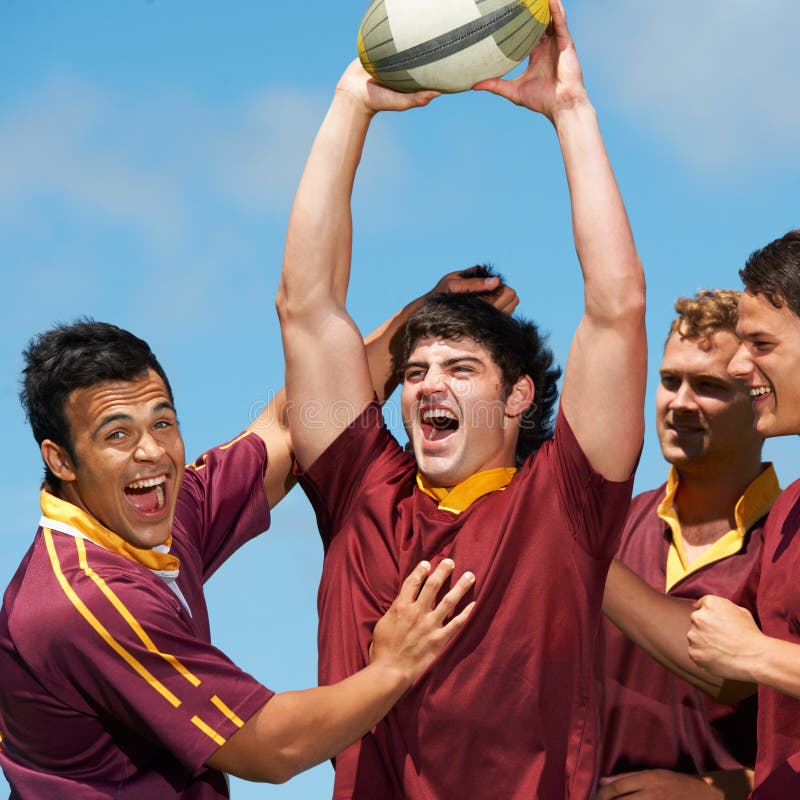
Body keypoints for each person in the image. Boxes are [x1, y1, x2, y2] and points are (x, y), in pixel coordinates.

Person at [276, 1, 646, 796]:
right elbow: (306, 307)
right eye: (413, 373)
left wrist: (570, 111)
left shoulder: (566, 505)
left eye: (459, 369)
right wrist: (352, 102)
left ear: (519, 398)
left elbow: (617, 307)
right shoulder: (359, 488)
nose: (426, 386)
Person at [0, 273, 490, 799]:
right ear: (60, 459)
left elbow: (287, 428)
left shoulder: (146, 517)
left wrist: (420, 323)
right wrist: (395, 666)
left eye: (162, 422)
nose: (151, 452)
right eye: (117, 434)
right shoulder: (85, 600)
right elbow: (267, 746)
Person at [602, 230, 800, 798]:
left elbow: (730, 675)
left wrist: (714, 792)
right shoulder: (614, 527)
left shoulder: (777, 527)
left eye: (706, 385)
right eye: (669, 381)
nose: (680, 402)